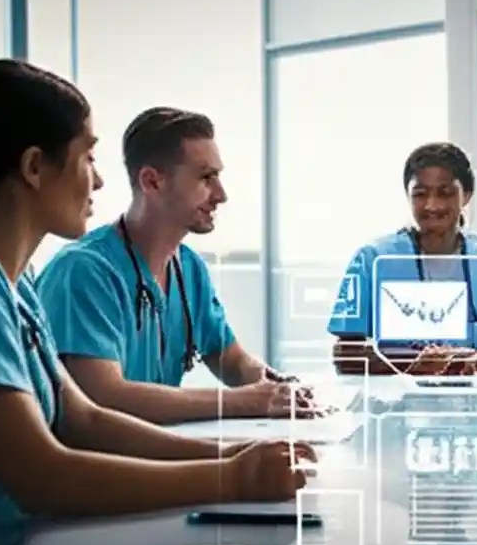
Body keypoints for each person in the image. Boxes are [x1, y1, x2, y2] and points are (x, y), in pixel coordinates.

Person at [0, 59, 311, 545]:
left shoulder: (11, 278)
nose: (99, 181)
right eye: (88, 157)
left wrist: (227, 454)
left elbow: (83, 419)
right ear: (33, 167)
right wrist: (232, 479)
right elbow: (41, 476)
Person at [35, 106, 316, 424]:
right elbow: (105, 396)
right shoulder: (83, 271)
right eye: (206, 178)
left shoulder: (189, 268)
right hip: (102, 467)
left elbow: (232, 360)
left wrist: (280, 388)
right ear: (152, 182)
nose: (221, 195)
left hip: (158, 455)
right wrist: (243, 401)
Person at [328, 142, 477, 376]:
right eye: (420, 194)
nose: (432, 205)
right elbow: (346, 354)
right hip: (389, 407)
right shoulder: (373, 259)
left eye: (445, 193)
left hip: (473, 403)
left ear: (466, 196)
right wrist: (416, 366)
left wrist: (466, 365)